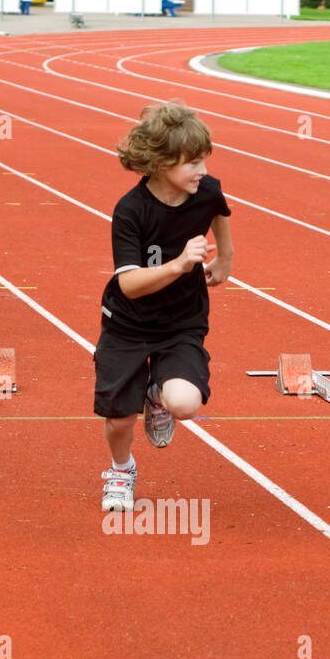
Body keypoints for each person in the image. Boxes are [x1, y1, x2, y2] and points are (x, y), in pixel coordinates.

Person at [95, 102, 234, 512]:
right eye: (193, 162)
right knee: (120, 419)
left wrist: (225, 256)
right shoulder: (131, 211)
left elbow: (219, 211)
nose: (203, 170)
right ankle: (121, 470)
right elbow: (130, 285)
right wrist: (179, 264)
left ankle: (156, 392)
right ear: (160, 163)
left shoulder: (205, 192)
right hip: (128, 323)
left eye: (205, 159)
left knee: (184, 404)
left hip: (182, 321)